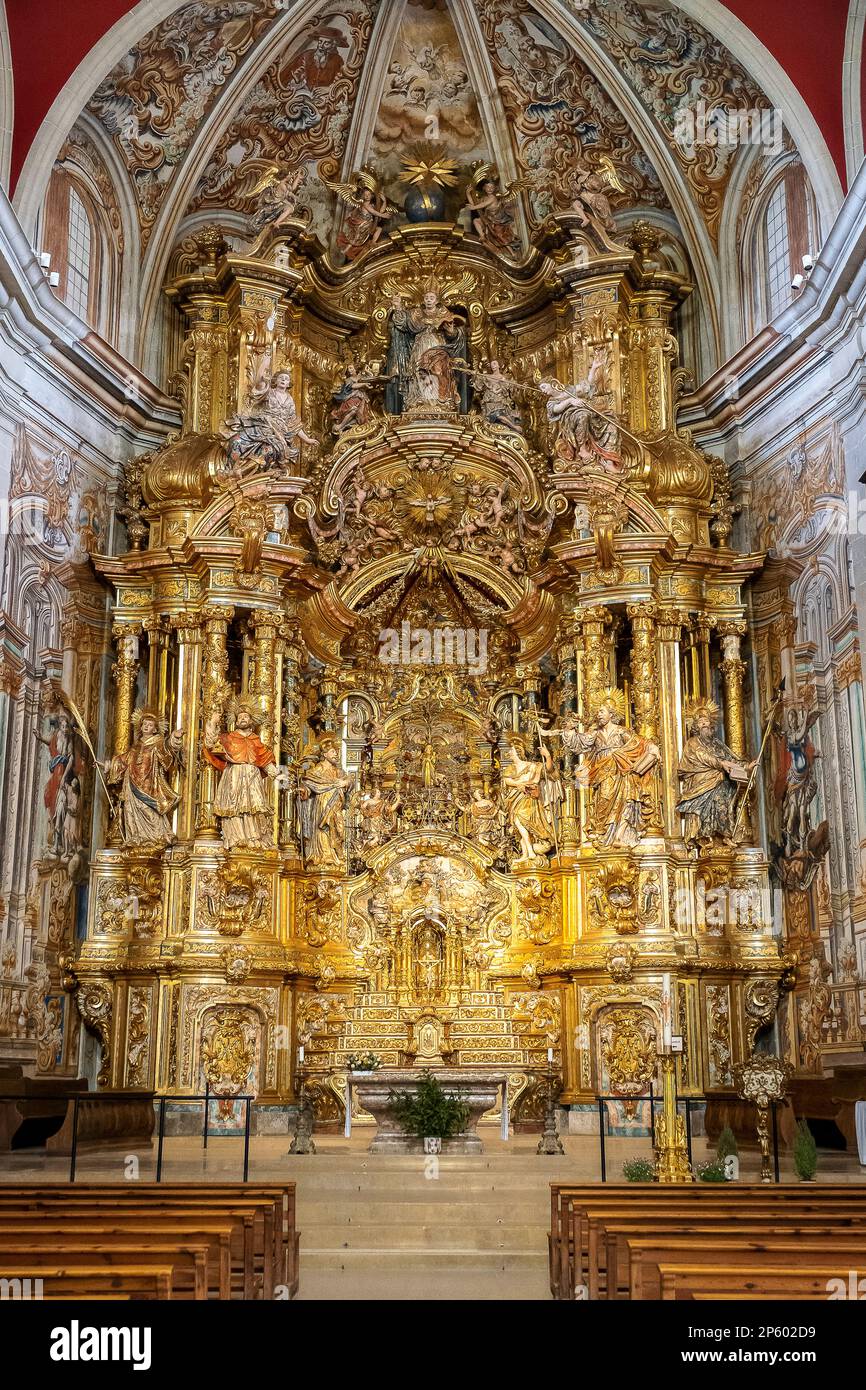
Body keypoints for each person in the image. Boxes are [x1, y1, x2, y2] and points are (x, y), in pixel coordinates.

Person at [551, 692, 659, 847]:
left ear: (611, 713)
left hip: (622, 771)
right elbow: (578, 743)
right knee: (603, 802)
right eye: (598, 712)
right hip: (603, 773)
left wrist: (651, 746)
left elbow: (638, 743)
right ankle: (604, 835)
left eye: (602, 711)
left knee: (627, 801)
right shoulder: (596, 733)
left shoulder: (621, 731)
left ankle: (620, 836)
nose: (598, 714)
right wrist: (569, 729)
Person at [203, 700, 286, 849]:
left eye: (245, 717)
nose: (242, 719)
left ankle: (253, 838)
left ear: (251, 721)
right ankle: (235, 837)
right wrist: (213, 723)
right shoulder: (228, 738)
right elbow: (210, 744)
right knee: (234, 807)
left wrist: (278, 775)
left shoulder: (255, 740)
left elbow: (264, 760)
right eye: (240, 717)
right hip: (234, 774)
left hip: (252, 776)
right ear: (235, 721)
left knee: (253, 807)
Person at [677, 699, 752, 847]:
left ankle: (725, 834)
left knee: (725, 806)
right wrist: (721, 763)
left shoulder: (717, 744)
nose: (705, 725)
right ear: (696, 726)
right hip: (702, 782)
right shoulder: (693, 742)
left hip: (721, 783)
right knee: (708, 807)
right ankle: (706, 835)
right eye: (701, 723)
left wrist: (747, 766)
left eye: (707, 722)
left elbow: (731, 759)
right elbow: (702, 756)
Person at [385, 286, 469, 413]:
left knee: (438, 371)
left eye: (432, 298)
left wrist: (451, 331)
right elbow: (402, 324)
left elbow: (454, 334)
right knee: (420, 370)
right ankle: (421, 400)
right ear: (423, 300)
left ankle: (439, 400)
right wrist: (397, 306)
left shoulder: (444, 314)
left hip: (437, 344)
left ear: (436, 301)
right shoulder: (415, 313)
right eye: (427, 298)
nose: (429, 300)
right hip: (421, 344)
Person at [106, 710, 183, 847]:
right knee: (131, 809)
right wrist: (107, 765)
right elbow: (123, 760)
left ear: (155, 729)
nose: (147, 727)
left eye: (150, 725)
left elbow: (167, 748)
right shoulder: (135, 746)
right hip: (132, 783)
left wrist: (173, 738)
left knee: (148, 809)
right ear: (140, 727)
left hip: (149, 784)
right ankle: (136, 837)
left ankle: (158, 835)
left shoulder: (157, 742)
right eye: (145, 724)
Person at [221, 367, 319, 471]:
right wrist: (264, 376)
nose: (283, 380)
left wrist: (307, 439)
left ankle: (247, 471)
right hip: (262, 426)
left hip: (278, 433)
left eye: (286, 379)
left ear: (288, 383)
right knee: (237, 441)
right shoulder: (269, 393)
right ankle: (229, 470)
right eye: (281, 378)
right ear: (275, 380)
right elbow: (257, 391)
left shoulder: (290, 400)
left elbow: (293, 423)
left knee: (270, 451)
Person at [501, 734, 561, 862]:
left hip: (530, 799)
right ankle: (526, 853)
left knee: (521, 821)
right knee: (518, 826)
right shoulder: (510, 768)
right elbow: (507, 781)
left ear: (518, 752)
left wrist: (547, 756)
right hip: (516, 799)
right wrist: (519, 784)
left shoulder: (533, 766)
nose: (509, 753)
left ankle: (531, 851)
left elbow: (549, 770)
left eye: (511, 750)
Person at [297, 736, 353, 867]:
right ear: (324, 754)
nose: (336, 754)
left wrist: (344, 782)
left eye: (337, 752)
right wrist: (304, 790)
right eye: (333, 752)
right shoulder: (319, 768)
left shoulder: (338, 771)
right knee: (323, 829)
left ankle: (335, 855)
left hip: (336, 806)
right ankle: (323, 856)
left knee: (338, 830)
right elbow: (309, 782)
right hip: (322, 804)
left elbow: (349, 781)